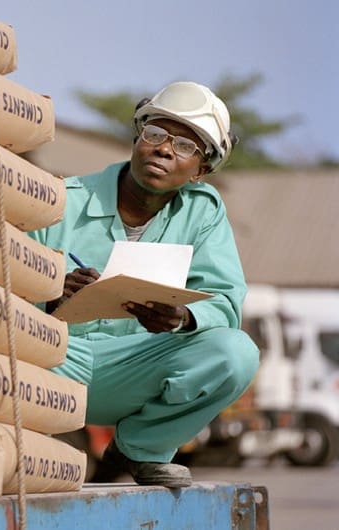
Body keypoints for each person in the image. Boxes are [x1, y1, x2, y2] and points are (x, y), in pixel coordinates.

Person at [29, 81, 260, 488]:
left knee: (236, 352)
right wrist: (49, 293)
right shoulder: (60, 200)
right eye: (156, 134)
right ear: (138, 139)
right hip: (56, 359)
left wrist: (182, 318)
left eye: (186, 146)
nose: (165, 149)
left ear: (202, 170)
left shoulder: (204, 215)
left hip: (137, 367)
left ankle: (139, 448)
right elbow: (3, 288)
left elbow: (225, 303)